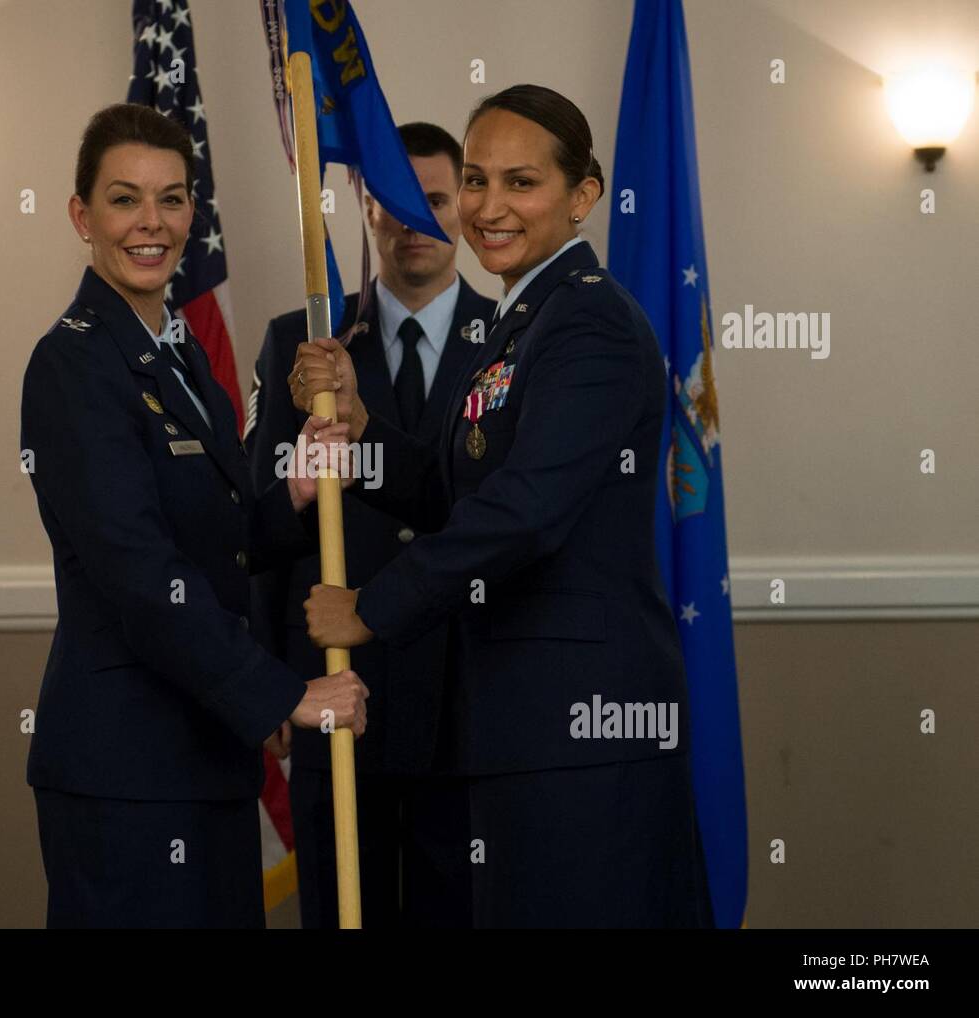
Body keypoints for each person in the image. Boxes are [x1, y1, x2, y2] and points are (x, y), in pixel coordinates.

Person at [289, 85, 714, 928]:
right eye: (476, 181)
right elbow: (463, 488)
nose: (488, 207)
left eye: (521, 183)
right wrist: (367, 433)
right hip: (521, 723)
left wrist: (372, 609)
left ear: (582, 196)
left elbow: (525, 511)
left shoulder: (589, 323)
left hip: (580, 730)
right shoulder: (525, 322)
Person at [20, 103, 368, 929]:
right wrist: (286, 697)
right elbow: (141, 574)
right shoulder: (73, 364)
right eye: (125, 199)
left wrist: (290, 495)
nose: (152, 223)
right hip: (127, 771)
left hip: (203, 756)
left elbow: (220, 541)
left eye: (172, 199)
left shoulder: (179, 359)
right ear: (81, 216)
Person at [246, 123, 495, 928]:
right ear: (363, 206)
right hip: (334, 691)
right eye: (392, 200)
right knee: (340, 913)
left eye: (433, 198)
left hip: (466, 697)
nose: (413, 220)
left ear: (462, 204)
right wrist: (265, 686)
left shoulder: (508, 343)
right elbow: (260, 522)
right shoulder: (304, 342)